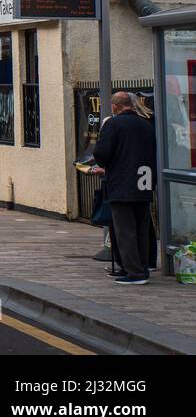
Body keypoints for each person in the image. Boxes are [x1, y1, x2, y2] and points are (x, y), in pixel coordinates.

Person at [93, 92, 158, 284]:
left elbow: (101, 153)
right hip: (144, 184)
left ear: (114, 107)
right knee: (141, 230)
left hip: (123, 185)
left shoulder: (113, 124)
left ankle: (135, 274)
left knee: (125, 231)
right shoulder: (146, 125)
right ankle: (142, 268)